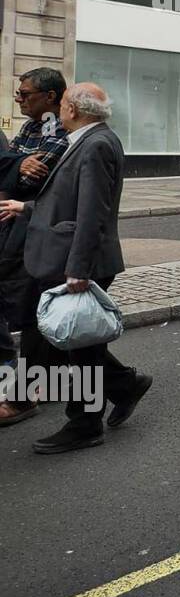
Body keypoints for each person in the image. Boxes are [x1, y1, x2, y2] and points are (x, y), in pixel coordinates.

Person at [0, 84, 149, 454]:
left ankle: (85, 424)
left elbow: (92, 212)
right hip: (70, 254)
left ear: (74, 109)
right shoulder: (87, 139)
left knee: (79, 346)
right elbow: (67, 200)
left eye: (63, 104)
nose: (59, 111)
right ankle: (125, 385)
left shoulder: (96, 144)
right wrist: (26, 208)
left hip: (80, 260)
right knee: (78, 340)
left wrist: (79, 270)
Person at [0, 67, 71, 428]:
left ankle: (23, 397)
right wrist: (14, 170)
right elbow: (13, 169)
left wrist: (14, 172)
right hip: (17, 232)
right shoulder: (31, 127)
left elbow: (30, 176)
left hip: (38, 235)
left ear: (51, 98)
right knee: (31, 312)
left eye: (25, 94)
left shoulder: (59, 129)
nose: (19, 98)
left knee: (31, 314)